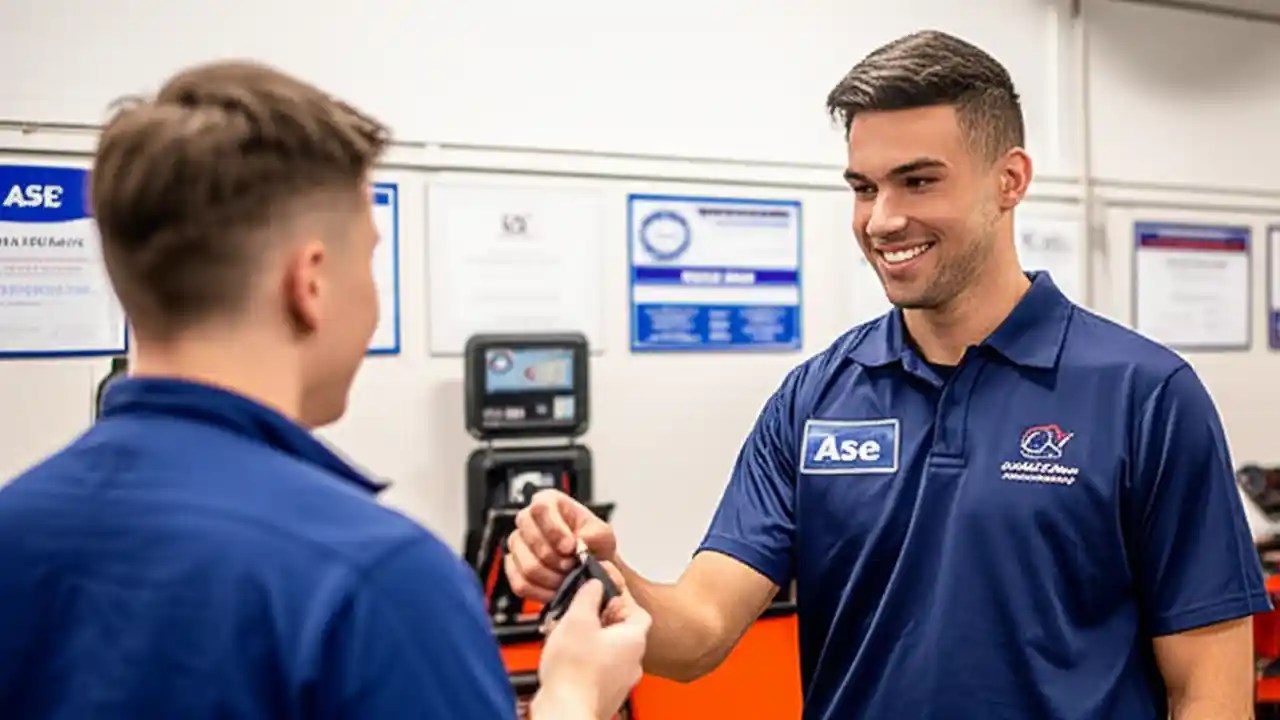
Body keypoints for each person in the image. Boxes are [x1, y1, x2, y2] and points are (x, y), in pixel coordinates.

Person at [504, 29, 1271, 719]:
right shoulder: (816, 398)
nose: (881, 220)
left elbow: (1209, 688)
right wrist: (603, 573)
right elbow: (699, 633)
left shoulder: (1145, 395)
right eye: (864, 187)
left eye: (918, 181)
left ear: (1009, 181)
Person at [0, 60, 649, 720]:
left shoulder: (13, 528)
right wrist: (576, 698)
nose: (371, 302)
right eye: (369, 260)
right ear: (309, 282)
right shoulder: (377, 578)